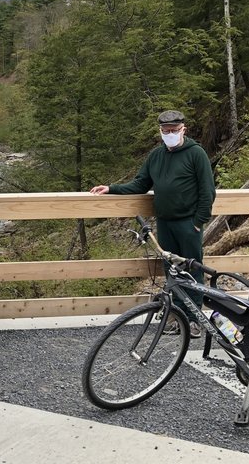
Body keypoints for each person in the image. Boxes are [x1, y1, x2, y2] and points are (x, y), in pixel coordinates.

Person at [90, 110, 216, 338]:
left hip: (188, 223)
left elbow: (207, 190)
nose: (170, 134)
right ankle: (177, 316)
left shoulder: (196, 154)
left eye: (174, 130)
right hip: (165, 222)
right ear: (160, 131)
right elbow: (140, 184)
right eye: (166, 131)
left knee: (192, 270)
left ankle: (194, 319)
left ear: (183, 130)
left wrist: (199, 221)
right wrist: (111, 188)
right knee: (171, 270)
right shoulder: (156, 156)